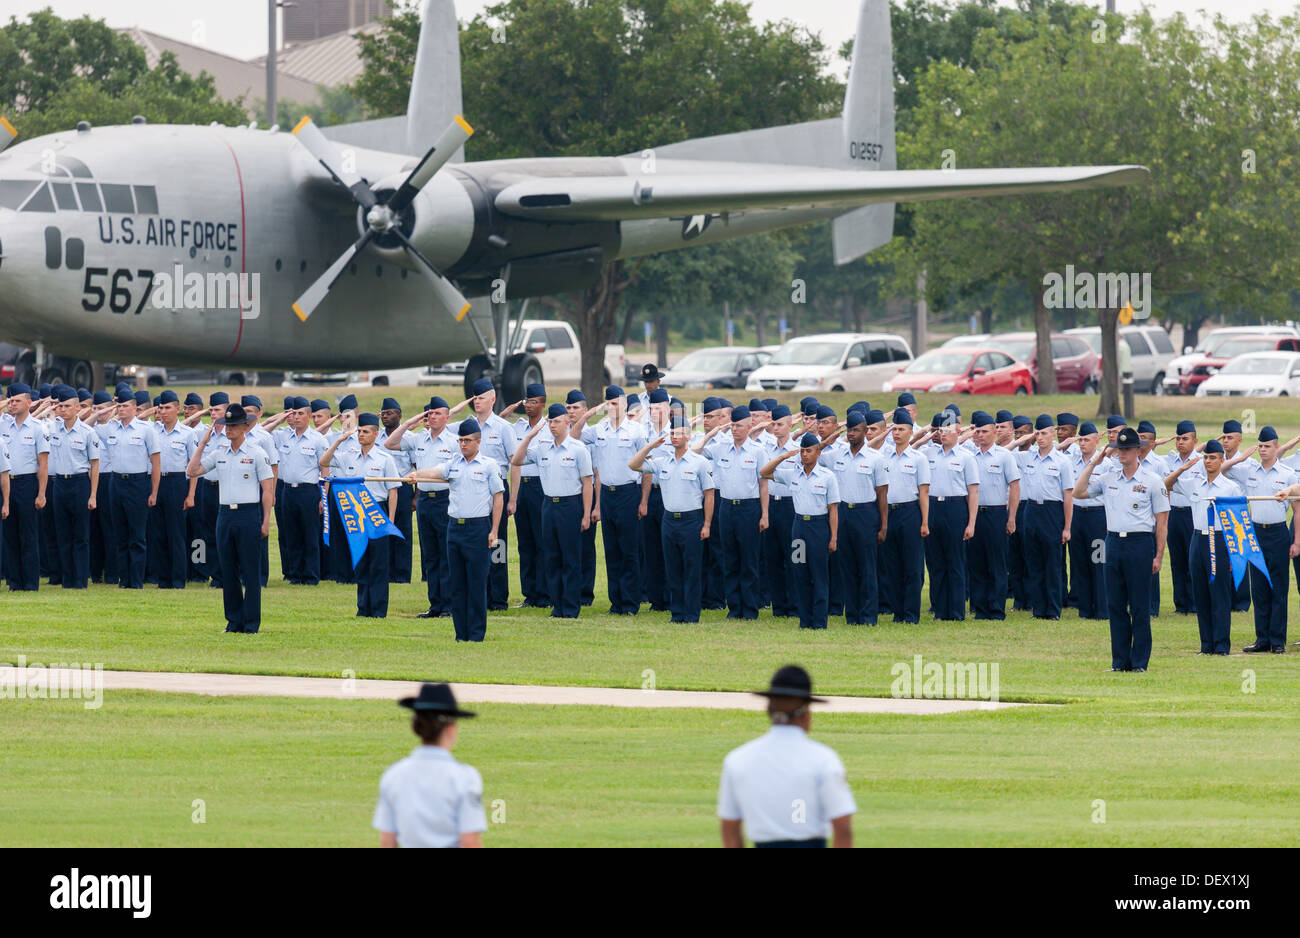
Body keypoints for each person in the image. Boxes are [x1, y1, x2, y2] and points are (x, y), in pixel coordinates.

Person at [718, 665, 855, 848]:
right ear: (805, 715)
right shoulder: (823, 760)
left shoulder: (737, 760)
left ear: (768, 710)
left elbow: (730, 831)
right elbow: (843, 828)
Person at [1074, 426, 1169, 672]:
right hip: (1114, 543)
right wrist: (1095, 462)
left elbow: (1162, 521)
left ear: (1138, 450)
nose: (1121, 454)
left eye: (1126, 449)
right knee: (1115, 605)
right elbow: (1078, 492)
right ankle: (1120, 661)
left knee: (1139, 606)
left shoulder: (1152, 481)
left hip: (1139, 544)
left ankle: (1139, 662)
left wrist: (1158, 555)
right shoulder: (1108, 478)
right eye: (1118, 449)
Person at [406, 417, 504, 641]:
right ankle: (461, 633)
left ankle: (477, 633)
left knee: (477, 584)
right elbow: (434, 471)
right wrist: (417, 475)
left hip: (478, 528)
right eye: (460, 440)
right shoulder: (454, 463)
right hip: (454, 528)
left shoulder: (489, 465)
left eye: (468, 441)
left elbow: (498, 498)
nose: (463, 445)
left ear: (478, 442)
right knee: (457, 584)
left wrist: (494, 530)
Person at [187, 403, 274, 634]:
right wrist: (203, 444)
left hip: (248, 514)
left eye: (234, 426)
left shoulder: (257, 453)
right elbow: (192, 471)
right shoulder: (219, 453)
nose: (229, 430)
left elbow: (268, 490)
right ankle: (234, 620)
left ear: (244, 427)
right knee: (228, 570)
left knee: (250, 570)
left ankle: (251, 623)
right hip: (225, 514)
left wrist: (265, 521)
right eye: (227, 426)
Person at [373, 682, 486, 848]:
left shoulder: (394, 775)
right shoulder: (465, 778)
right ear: (450, 728)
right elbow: (470, 842)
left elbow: (387, 842)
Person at [629, 415, 714, 624]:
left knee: (691, 569)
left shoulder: (699, 462)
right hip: (669, 520)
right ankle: (677, 613)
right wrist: (651, 445)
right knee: (673, 568)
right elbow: (634, 464)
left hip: (692, 519)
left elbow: (709, 494)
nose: (675, 437)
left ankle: (691, 614)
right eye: (673, 433)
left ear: (688, 435)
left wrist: (707, 524)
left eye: (679, 433)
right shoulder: (662, 462)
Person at [512, 403, 592, 620]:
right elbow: (516, 460)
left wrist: (586, 514)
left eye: (557, 421)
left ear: (567, 422)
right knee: (552, 557)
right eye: (550, 422)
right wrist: (529, 437)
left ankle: (570, 606)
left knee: (570, 558)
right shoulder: (542, 449)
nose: (553, 426)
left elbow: (587, 483)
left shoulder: (578, 449)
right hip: (548, 506)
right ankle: (557, 606)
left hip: (570, 506)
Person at [1225, 427, 1298, 654]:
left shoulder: (1287, 474)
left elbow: (1297, 509)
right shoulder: (1249, 470)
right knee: (1258, 588)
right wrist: (1242, 456)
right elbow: (1221, 469)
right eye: (1260, 446)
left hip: (1277, 533)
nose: (1263, 450)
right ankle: (1262, 639)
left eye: (1267, 446)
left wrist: (1296, 541)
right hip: (1253, 533)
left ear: (1276, 447)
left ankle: (1277, 640)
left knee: (1278, 587)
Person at [1165, 441, 1241, 655]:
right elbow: (1167, 485)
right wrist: (1181, 469)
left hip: (1219, 540)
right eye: (1206, 458)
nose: (1208, 461)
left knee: (1219, 594)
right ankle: (1206, 644)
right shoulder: (1194, 483)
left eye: (1213, 458)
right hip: (1197, 539)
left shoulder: (1230, 488)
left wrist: (1233, 553)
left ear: (1221, 460)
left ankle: (1221, 645)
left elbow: (1237, 523)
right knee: (1201, 594)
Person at [388, 397, 459, 617]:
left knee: (445, 553)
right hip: (425, 500)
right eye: (430, 414)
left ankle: (448, 605)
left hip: (444, 498)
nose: (432, 417)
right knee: (430, 554)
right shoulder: (419, 439)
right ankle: (435, 604)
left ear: (447, 417)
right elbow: (389, 443)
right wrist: (410, 422)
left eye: (438, 413)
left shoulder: (454, 441)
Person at [761, 432, 839, 630]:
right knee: (800, 572)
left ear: (818, 453)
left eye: (809, 451)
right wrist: (783, 457)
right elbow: (764, 472)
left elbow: (833, 510)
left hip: (818, 528)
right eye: (802, 451)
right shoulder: (793, 473)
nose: (804, 454)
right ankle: (805, 620)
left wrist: (833, 538)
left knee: (819, 575)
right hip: (799, 528)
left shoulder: (828, 477)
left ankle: (819, 621)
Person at [451, 378, 517, 610]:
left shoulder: (503, 428)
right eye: (474, 398)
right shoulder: (467, 426)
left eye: (481, 398)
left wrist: (513, 498)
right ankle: (480, 593)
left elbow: (514, 463)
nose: (477, 402)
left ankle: (498, 597)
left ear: (492, 399)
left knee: (496, 543)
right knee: (476, 545)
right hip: (472, 491)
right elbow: (440, 422)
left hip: (496, 490)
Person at [698, 404, 767, 620]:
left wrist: (765, 514)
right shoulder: (720, 448)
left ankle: (750, 608)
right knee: (730, 559)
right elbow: (695, 451)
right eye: (733, 425)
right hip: (726, 507)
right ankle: (734, 607)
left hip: (749, 508)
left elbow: (763, 484)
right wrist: (714, 432)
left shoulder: (757, 451)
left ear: (748, 427)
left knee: (749, 559)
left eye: (739, 426)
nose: (735, 429)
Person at [583, 386, 646, 615]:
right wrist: (589, 414)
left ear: (625, 404)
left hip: (628, 492)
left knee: (628, 550)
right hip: (607, 494)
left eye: (616, 402)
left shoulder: (637, 431)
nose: (612, 407)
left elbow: (646, 468)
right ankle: (616, 602)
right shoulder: (599, 429)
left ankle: (630, 603)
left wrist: (643, 501)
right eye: (609, 403)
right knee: (611, 551)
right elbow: (574, 435)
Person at [821, 409, 887, 625]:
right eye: (848, 430)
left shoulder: (876, 458)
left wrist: (883, 525)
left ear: (866, 431)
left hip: (866, 513)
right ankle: (852, 615)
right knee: (847, 566)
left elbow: (882, 494)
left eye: (856, 430)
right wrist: (831, 437)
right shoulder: (836, 455)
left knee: (867, 567)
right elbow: (814, 454)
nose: (851, 434)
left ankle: (868, 616)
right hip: (843, 513)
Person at [99, 388, 161, 590]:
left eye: (126, 406)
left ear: (135, 408)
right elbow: (89, 423)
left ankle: (136, 581)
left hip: (137, 483)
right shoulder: (111, 428)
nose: (121, 409)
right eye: (119, 406)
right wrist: (111, 410)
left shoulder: (146, 430)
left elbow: (156, 462)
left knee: (137, 536)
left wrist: (153, 491)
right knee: (120, 534)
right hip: (116, 483)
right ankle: (123, 579)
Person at [923, 413, 978, 621]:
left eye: (948, 431)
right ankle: (940, 609)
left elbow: (973, 492)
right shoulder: (929, 455)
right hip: (934, 507)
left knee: (955, 562)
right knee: (936, 563)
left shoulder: (966, 458)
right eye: (941, 431)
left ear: (958, 432)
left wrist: (971, 523)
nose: (943, 435)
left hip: (956, 508)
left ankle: (955, 611)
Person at [966, 411, 1020, 620]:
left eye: (984, 431)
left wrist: (1011, 517)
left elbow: (1014, 487)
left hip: (996, 513)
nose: (979, 435)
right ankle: (980, 608)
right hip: (974, 514)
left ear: (995, 431)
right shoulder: (969, 457)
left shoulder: (1004, 456)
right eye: (977, 431)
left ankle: (996, 608)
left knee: (997, 562)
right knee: (976, 562)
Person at [1020, 415, 1074, 619]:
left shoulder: (1062, 462)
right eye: (1037, 433)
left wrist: (1067, 526)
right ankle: (1038, 607)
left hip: (1052, 512)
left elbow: (1067, 496)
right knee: (1033, 562)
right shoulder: (1028, 457)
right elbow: (1003, 452)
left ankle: (1053, 608)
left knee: (1052, 563)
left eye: (1044, 433)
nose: (1040, 437)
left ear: (1053, 435)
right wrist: (1024, 440)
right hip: (1031, 510)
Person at [47, 385, 100, 590]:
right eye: (60, 406)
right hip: (60, 483)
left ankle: (79, 580)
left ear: (78, 407)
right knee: (63, 534)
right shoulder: (53, 429)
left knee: (81, 535)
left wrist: (93, 494)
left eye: (67, 406)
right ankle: (67, 580)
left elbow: (94, 465)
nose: (62, 410)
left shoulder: (87, 432)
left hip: (79, 483)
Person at [272, 397, 328, 585]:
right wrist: (280, 418)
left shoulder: (318, 440)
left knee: (310, 534)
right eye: (293, 413)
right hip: (288, 491)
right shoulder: (283, 437)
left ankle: (311, 575)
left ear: (309, 416)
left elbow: (325, 470)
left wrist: (323, 498)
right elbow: (259, 432)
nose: (295, 417)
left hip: (308, 491)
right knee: (291, 534)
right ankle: (295, 574)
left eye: (300, 413)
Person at [881, 408, 929, 624]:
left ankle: (910, 613)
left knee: (912, 566)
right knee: (892, 565)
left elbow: (924, 492)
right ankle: (897, 612)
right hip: (889, 512)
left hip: (910, 512)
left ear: (911, 433)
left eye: (901, 429)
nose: (897, 433)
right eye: (894, 429)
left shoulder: (919, 459)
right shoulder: (883, 457)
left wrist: (925, 521)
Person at [0, 383, 49, 591]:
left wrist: (41, 493)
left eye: (17, 400)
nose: (12, 404)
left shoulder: (38, 428)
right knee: (9, 534)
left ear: (29, 403)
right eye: (10, 401)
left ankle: (30, 582)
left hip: (28, 483)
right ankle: (14, 581)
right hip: (7, 484)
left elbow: (43, 464)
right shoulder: (4, 425)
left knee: (28, 535)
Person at [509, 383, 551, 609]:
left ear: (542, 404)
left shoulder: (548, 427)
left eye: (533, 402)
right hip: (522, 486)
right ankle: (529, 593)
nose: (528, 406)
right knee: (525, 543)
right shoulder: (518, 429)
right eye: (526, 402)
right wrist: (513, 498)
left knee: (541, 541)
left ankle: (544, 593)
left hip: (541, 486)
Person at [148, 390, 194, 589]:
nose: (163, 412)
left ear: (178, 409)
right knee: (158, 533)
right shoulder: (153, 432)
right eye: (161, 408)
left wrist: (191, 494)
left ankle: (177, 579)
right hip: (156, 483)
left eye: (168, 408)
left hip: (177, 483)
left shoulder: (187, 434)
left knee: (176, 533)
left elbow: (193, 468)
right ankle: (163, 578)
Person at [760, 404, 800, 619]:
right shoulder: (765, 450)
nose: (775, 428)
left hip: (791, 505)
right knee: (772, 557)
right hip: (771, 506)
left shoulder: (799, 449)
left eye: (780, 424)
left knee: (795, 556)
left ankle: (796, 604)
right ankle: (779, 606)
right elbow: (763, 482)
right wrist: (764, 512)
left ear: (791, 424)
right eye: (773, 424)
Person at [563, 389, 601, 606]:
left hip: (585, 496)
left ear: (585, 410)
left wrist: (596, 506)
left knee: (586, 547)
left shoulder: (591, 435)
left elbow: (596, 474)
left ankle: (585, 593)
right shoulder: (559, 432)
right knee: (567, 547)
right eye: (568, 408)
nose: (571, 411)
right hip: (567, 496)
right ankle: (568, 590)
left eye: (575, 408)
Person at [1066, 421, 1108, 619]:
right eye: (1080, 439)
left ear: (1097, 440)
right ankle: (1084, 609)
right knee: (1079, 561)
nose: (1082, 443)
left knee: (1098, 562)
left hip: (1098, 516)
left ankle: (1101, 608)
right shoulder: (1073, 463)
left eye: (1086, 439)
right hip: (1077, 515)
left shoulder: (1107, 464)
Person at [638, 389, 673, 612]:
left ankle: (672, 596)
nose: (653, 412)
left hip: (672, 493)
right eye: (651, 408)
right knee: (651, 548)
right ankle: (656, 599)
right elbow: (644, 470)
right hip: (652, 493)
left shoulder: (677, 431)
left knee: (669, 547)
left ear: (668, 409)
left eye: (658, 408)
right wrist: (643, 500)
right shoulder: (644, 432)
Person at [377, 398, 415, 584]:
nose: (385, 416)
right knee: (382, 532)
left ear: (400, 415)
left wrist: (416, 496)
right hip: (381, 489)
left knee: (402, 531)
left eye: (389, 413)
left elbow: (417, 466)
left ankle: (401, 575)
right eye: (383, 413)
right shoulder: (377, 438)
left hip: (403, 488)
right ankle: (385, 572)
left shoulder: (408, 439)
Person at [1164, 420, 1199, 614]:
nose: (1180, 442)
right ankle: (1180, 603)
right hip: (1174, 513)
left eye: (1185, 438)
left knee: (1192, 559)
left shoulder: (1201, 461)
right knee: (1177, 560)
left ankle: (1194, 603)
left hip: (1192, 514)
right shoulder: (1170, 461)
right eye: (1178, 438)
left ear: (1194, 440)